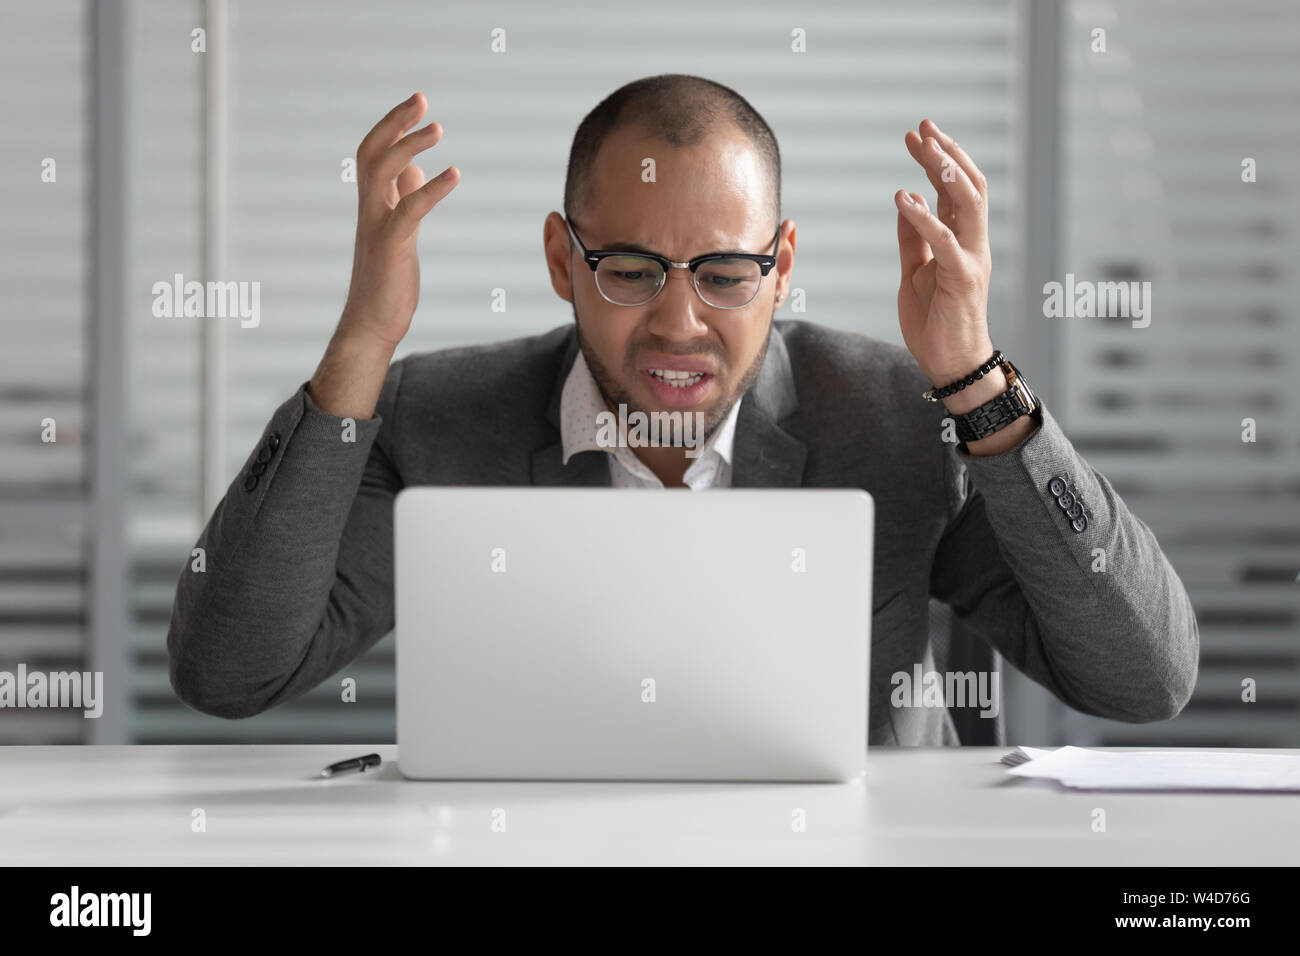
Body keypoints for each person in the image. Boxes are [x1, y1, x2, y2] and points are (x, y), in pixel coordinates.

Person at [166, 74, 1198, 745]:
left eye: (723, 272)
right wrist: (359, 345)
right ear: (560, 261)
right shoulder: (441, 414)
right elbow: (228, 670)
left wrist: (975, 377)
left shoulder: (896, 418)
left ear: (781, 265)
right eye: (628, 268)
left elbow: (1142, 675)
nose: (677, 321)